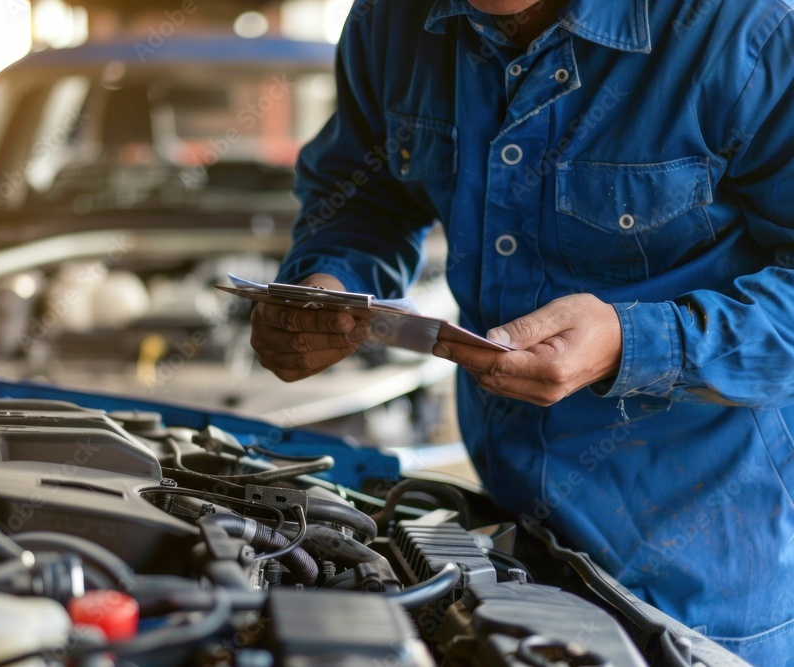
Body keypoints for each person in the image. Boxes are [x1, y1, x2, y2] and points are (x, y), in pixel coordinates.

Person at [249, 0, 794, 664]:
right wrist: (328, 283)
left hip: (705, 586)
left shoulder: (744, 31)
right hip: (500, 545)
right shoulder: (389, 21)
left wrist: (633, 341)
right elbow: (366, 197)